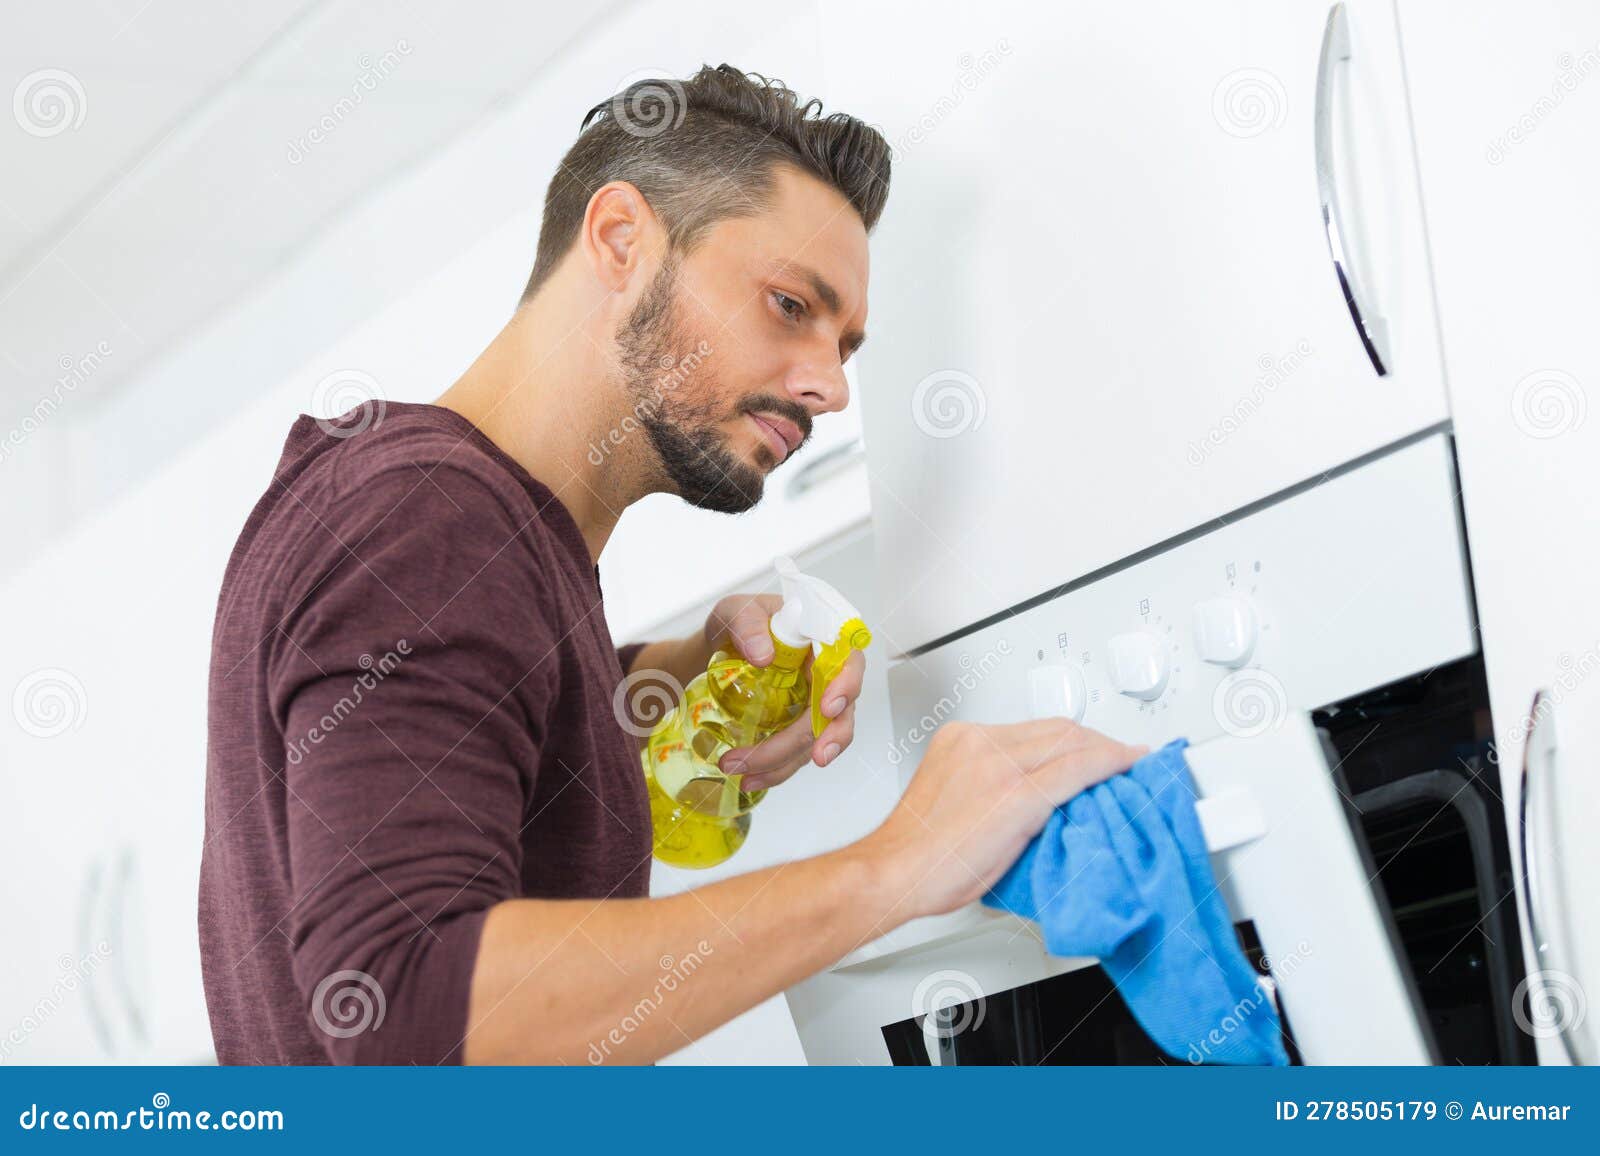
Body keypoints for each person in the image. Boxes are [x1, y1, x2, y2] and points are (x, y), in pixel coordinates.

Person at [198, 64, 1142, 1064]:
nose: (828, 387)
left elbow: (464, 717)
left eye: (845, 346)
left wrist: (681, 664)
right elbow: (411, 1010)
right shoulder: (429, 522)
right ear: (620, 241)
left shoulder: (433, 512)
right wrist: (898, 866)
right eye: (788, 304)